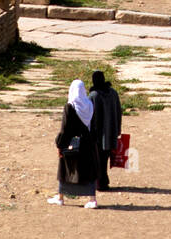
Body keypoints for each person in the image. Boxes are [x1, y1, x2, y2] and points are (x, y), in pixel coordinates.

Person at [50, 80, 99, 209]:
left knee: (66, 170)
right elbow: (92, 125)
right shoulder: (89, 104)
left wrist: (59, 143)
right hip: (87, 143)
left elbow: (65, 129)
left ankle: (60, 197)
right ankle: (92, 199)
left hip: (72, 143)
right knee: (88, 171)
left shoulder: (70, 106)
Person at [88, 70, 123, 191]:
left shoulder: (94, 95)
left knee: (97, 159)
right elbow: (119, 111)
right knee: (105, 158)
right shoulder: (113, 93)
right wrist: (118, 129)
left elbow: (91, 116)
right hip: (111, 132)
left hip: (98, 134)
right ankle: (104, 181)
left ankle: (100, 183)